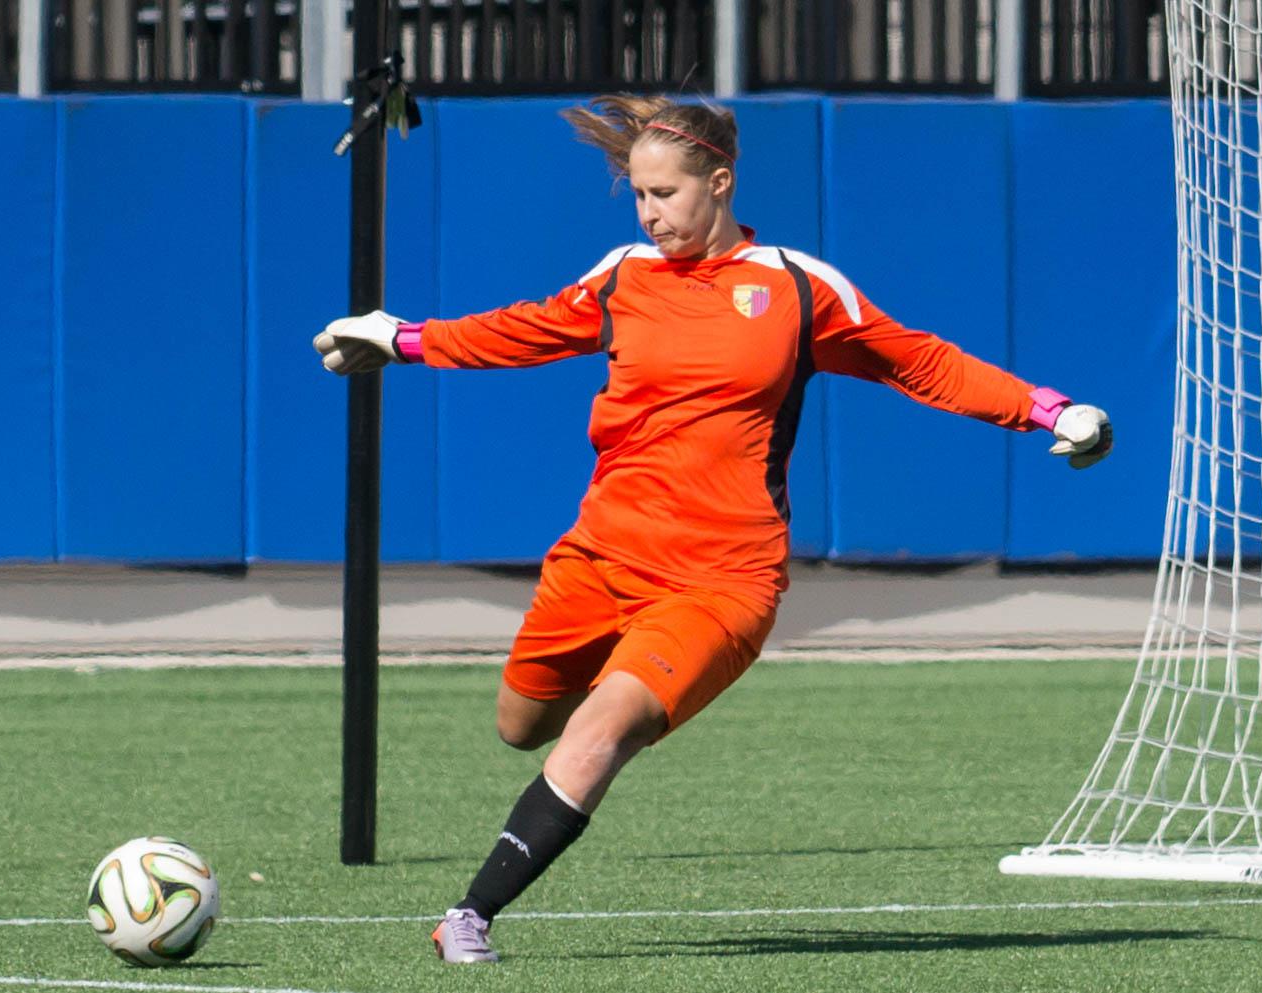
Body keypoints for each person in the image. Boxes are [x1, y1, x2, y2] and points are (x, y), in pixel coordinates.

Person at [313, 95, 1112, 964]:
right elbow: (525, 330)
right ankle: (602, 709)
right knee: (521, 724)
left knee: (601, 728)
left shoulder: (799, 288)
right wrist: (402, 338)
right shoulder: (622, 274)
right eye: (639, 197)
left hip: (722, 579)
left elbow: (916, 359)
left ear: (720, 183)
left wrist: (1045, 409)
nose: (651, 212)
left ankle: (467, 917)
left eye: (665, 193)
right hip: (599, 556)